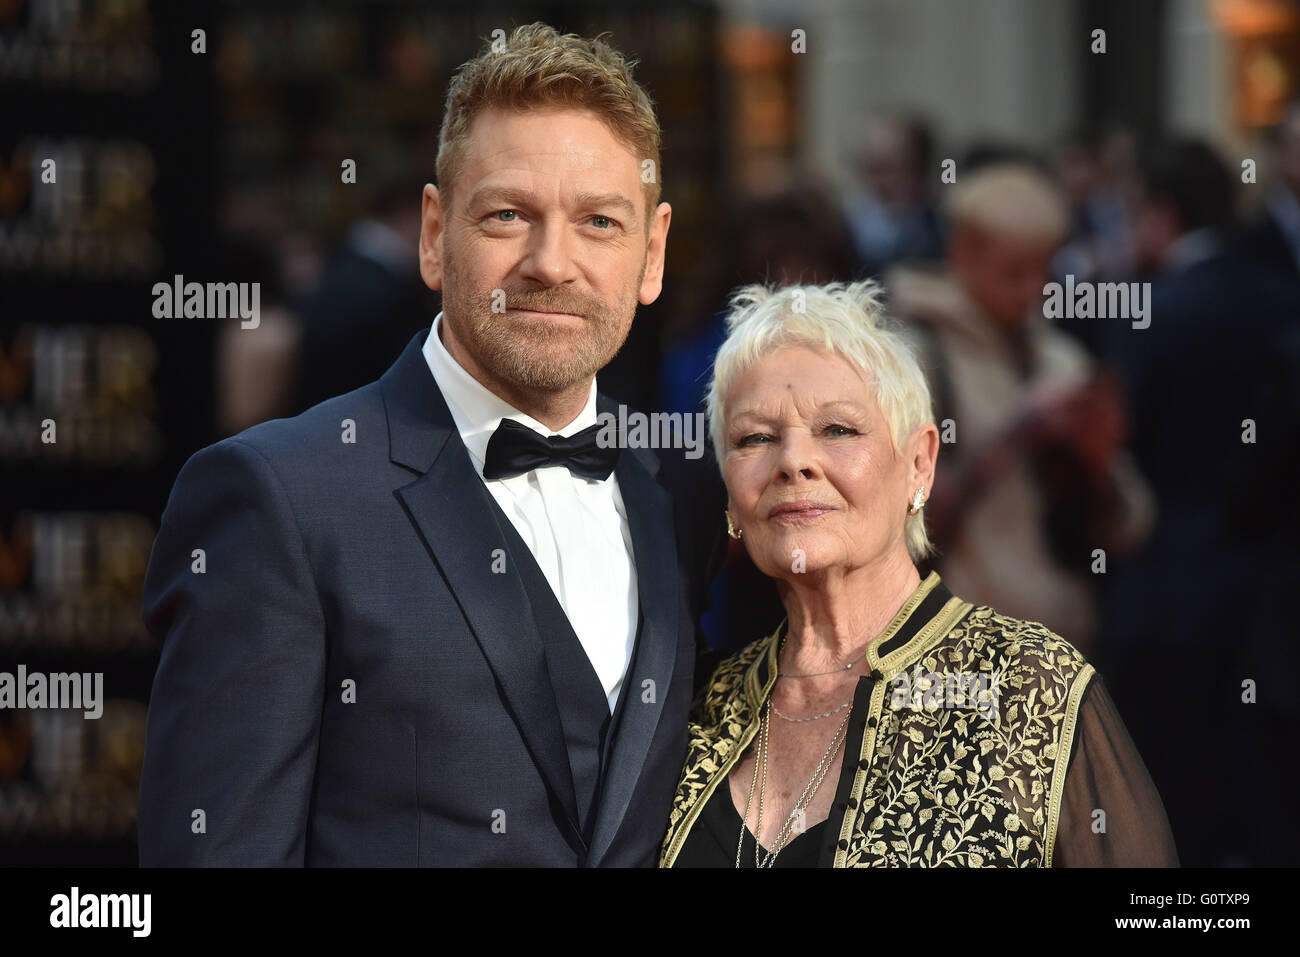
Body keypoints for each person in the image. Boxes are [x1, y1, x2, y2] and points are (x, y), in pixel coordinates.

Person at [138, 23, 725, 866]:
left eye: (599, 221)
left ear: (653, 252)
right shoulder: (280, 497)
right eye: (508, 215)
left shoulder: (684, 496)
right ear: (431, 233)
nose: (551, 262)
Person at [660, 281, 1177, 868]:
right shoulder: (699, 705)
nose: (794, 462)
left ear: (918, 466)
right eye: (754, 438)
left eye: (839, 430)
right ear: (729, 487)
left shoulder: (1030, 687)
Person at [886, 161, 1153, 655]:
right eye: (1013, 272)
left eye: (1042, 271)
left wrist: (1096, 460)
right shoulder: (908, 358)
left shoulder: (1061, 357)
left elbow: (1128, 527)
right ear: (959, 253)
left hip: (1062, 649)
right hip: (952, 657)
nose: (1031, 291)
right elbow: (895, 525)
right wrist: (1018, 433)